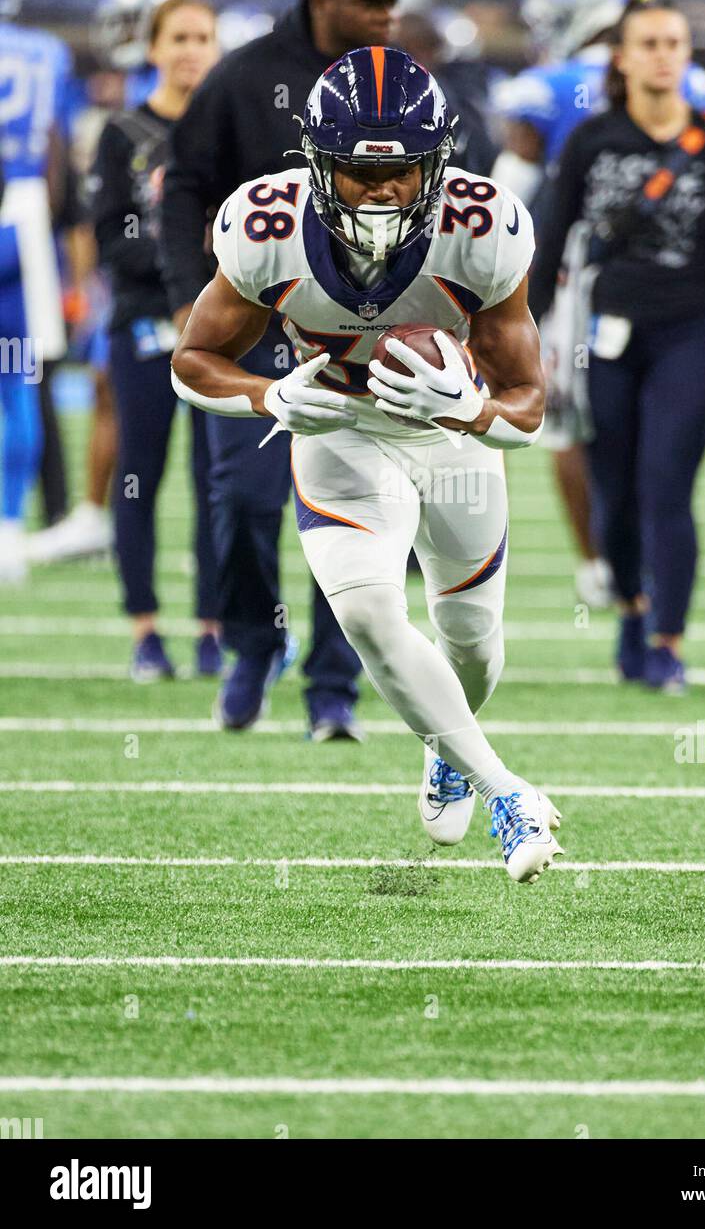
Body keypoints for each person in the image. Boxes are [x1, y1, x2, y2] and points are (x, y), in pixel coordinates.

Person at [171, 45, 562, 885]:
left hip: (451, 441)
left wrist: (470, 411)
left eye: (401, 172)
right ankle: (510, 793)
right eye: (356, 172)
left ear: (437, 165)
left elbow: (530, 403)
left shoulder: (484, 228)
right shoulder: (264, 228)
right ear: (316, 164)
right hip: (339, 426)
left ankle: (448, 750)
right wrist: (267, 399)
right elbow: (192, 359)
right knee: (371, 618)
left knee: (474, 649)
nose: (382, 191)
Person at [160, 0, 403, 738]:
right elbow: (184, 181)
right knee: (245, 498)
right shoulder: (245, 75)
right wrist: (181, 297)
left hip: (366, 325)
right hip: (258, 321)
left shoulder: (403, 80)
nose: (383, 13)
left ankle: (334, 684)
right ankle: (253, 644)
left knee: (364, 509)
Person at [530, 0, 705, 692]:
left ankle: (667, 642)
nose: (663, 55)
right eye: (648, 44)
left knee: (665, 484)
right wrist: (522, 339)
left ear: (687, 54)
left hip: (692, 335)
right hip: (607, 337)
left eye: (674, 43)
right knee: (612, 489)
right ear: (621, 56)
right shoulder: (591, 140)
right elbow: (551, 246)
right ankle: (632, 613)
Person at [491, 0, 705, 611]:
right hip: (674, 287)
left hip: (579, 290)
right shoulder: (689, 81)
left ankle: (601, 567)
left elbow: (506, 199)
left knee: (577, 429)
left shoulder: (546, 90)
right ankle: (644, 577)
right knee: (656, 441)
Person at [90, 0, 221, 681]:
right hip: (143, 325)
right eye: (179, 37)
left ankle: (211, 627)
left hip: (218, 329)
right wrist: (185, 260)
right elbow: (111, 238)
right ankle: (145, 629)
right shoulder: (124, 133)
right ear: (154, 48)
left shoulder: (227, 126)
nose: (192, 49)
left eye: (203, 36)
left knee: (217, 483)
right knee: (138, 475)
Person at [0, 0, 72, 582]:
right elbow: (57, 149)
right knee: (19, 377)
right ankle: (10, 529)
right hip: (24, 219)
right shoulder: (46, 51)